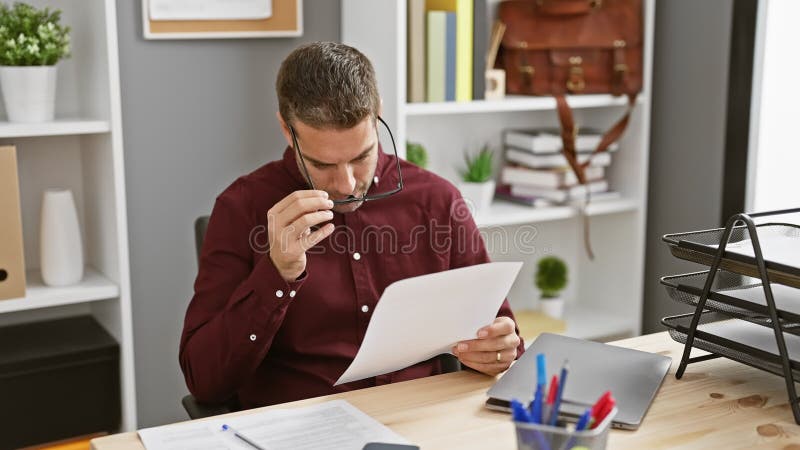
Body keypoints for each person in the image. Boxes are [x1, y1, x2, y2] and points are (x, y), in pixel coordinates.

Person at [179, 42, 525, 409]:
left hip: (423, 421)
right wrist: (277, 274)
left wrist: (498, 351)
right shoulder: (241, 208)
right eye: (322, 164)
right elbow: (204, 382)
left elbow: (503, 336)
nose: (345, 184)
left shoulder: (438, 201)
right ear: (286, 128)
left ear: (377, 116)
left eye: (361, 157)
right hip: (300, 428)